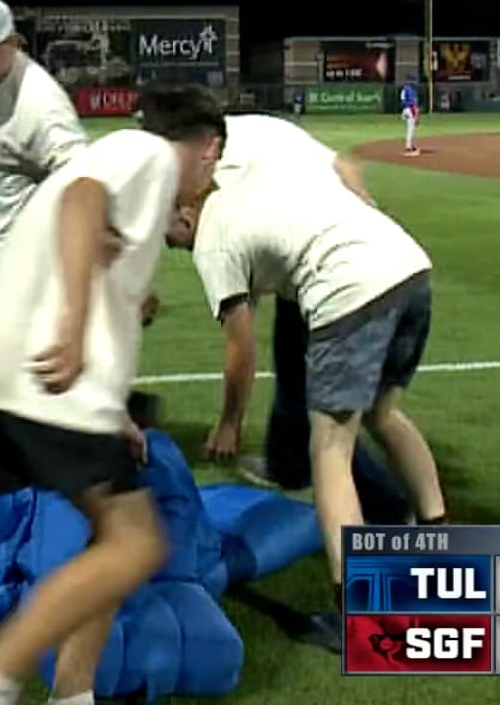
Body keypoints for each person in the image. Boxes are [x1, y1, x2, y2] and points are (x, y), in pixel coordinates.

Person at [0, 83, 228, 705]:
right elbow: (81, 203)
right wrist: (73, 327)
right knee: (136, 541)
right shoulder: (147, 155)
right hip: (37, 372)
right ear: (208, 149)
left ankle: (72, 694)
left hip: (11, 373)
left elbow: (87, 231)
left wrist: (114, 413)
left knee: (115, 540)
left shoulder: (129, 174)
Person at [169, 141, 448, 654]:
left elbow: (241, 347)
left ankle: (357, 617)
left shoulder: (212, 242)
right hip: (410, 267)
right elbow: (343, 167)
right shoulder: (255, 176)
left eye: (163, 226)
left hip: (350, 290)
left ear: (184, 209)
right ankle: (438, 539)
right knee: (384, 413)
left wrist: (230, 422)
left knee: (329, 451)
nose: (165, 242)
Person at [0, 0, 165, 428]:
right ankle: (119, 417)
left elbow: (88, 188)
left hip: (30, 258)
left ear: (15, 43)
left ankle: (118, 423)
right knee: (17, 370)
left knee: (8, 366)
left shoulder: (42, 108)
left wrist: (120, 268)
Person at [191, 111, 412, 527]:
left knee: (328, 414)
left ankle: (387, 512)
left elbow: (240, 336)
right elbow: (346, 166)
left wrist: (229, 423)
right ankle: (287, 462)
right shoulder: (263, 130)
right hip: (338, 256)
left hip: (329, 269)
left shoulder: (223, 156)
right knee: (300, 375)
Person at [401, 76, 420, 155]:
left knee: (410, 127)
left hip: (405, 110)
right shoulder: (411, 90)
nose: (414, 82)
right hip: (410, 110)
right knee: (411, 128)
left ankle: (410, 144)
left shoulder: (404, 89)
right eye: (413, 80)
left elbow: (402, 101)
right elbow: (413, 103)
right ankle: (408, 146)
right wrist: (416, 114)